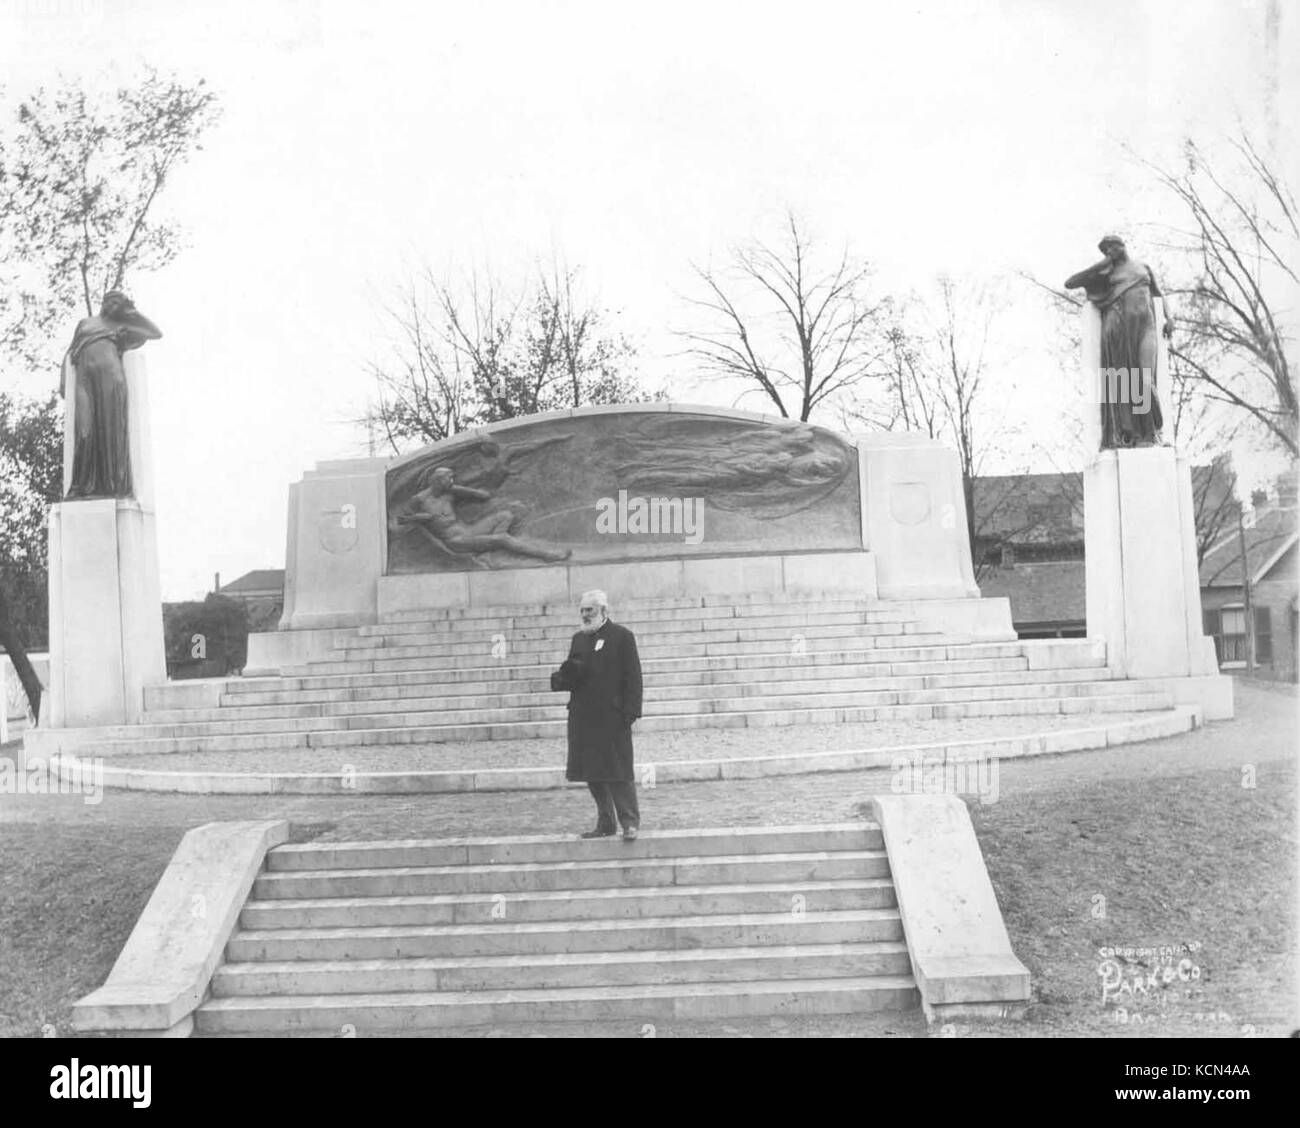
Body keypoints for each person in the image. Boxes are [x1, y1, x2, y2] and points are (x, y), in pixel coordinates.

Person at [551, 589, 643, 840]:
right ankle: (605, 823)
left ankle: (630, 823)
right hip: (583, 718)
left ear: (603, 610)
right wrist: (562, 678)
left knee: (618, 771)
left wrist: (629, 714)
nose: (584, 615)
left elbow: (633, 677)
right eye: (582, 610)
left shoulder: (622, 636)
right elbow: (572, 674)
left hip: (612, 718)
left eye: (589, 610)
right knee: (592, 772)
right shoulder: (578, 639)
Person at [1064, 235, 1170, 449]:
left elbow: (1158, 295)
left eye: (1112, 247)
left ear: (1122, 245)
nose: (1110, 251)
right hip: (1120, 328)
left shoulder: (1143, 267)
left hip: (1145, 326)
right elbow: (1070, 283)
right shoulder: (1108, 272)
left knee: (1145, 379)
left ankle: (1154, 428)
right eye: (1106, 250)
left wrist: (1170, 318)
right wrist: (1101, 265)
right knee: (1125, 380)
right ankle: (1143, 435)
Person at [63, 291, 162, 499]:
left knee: (112, 430)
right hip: (84, 380)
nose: (112, 305)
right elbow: (70, 352)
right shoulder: (85, 324)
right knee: (84, 431)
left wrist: (132, 313)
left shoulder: (122, 326)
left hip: (110, 379)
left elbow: (155, 333)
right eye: (109, 301)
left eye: (117, 303)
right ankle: (81, 488)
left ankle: (113, 487)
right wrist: (63, 379)